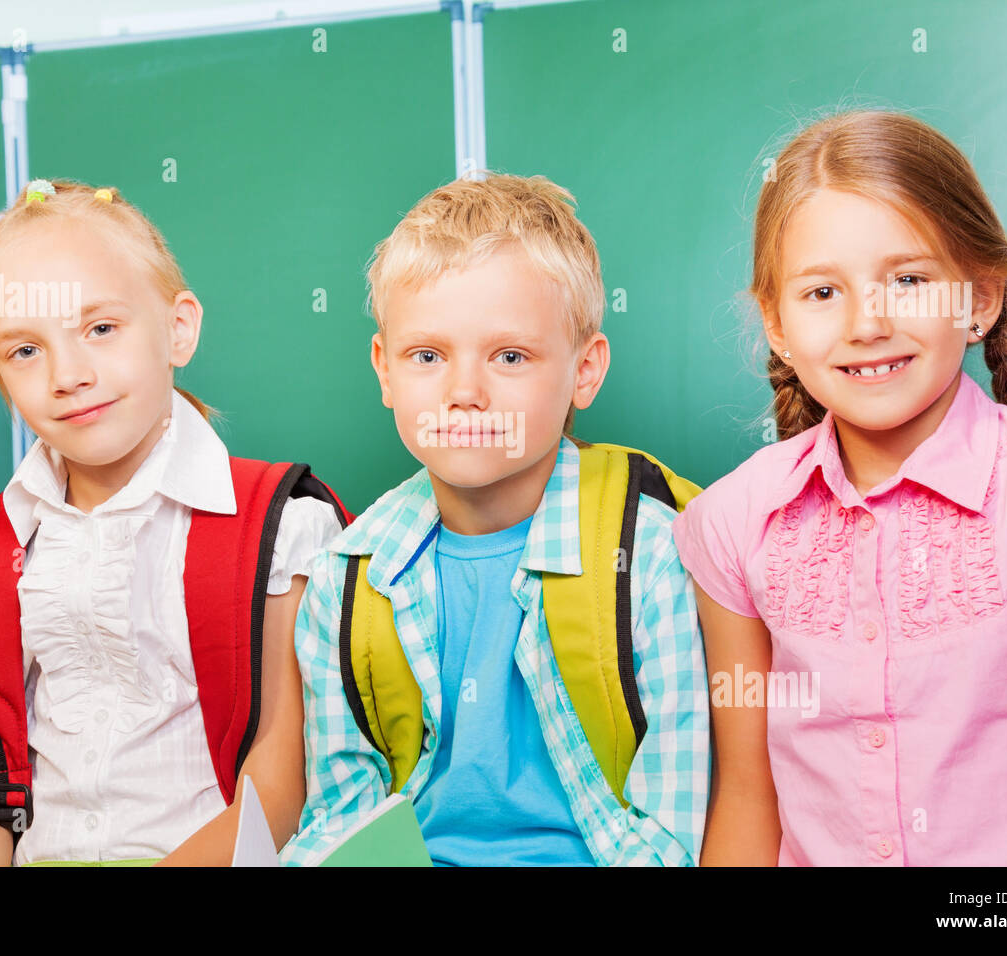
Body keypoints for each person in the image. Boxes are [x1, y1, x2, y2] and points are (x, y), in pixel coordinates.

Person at [675, 110, 1007, 865]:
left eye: (908, 280)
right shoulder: (733, 520)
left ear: (978, 299)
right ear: (775, 322)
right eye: (822, 293)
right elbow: (750, 798)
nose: (866, 323)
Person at [280, 173, 709, 866]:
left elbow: (674, 831)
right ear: (384, 370)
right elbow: (339, 820)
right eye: (428, 356)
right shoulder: (348, 577)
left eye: (509, 356)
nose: (465, 394)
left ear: (584, 371)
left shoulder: (655, 556)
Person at [0, 180, 347, 866]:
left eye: (100, 329)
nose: (68, 374)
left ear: (178, 328)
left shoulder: (281, 530)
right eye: (24, 350)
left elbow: (278, 788)